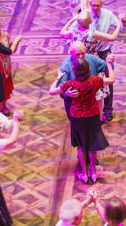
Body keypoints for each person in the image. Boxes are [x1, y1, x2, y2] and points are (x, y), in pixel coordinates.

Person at [50, 54, 116, 184]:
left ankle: (84, 174)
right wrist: (108, 64)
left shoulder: (71, 84)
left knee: (81, 146)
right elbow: (112, 80)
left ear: (75, 71)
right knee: (92, 146)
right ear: (89, 70)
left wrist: (57, 79)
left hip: (77, 118)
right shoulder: (95, 81)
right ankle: (93, 172)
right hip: (92, 116)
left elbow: (51, 91)